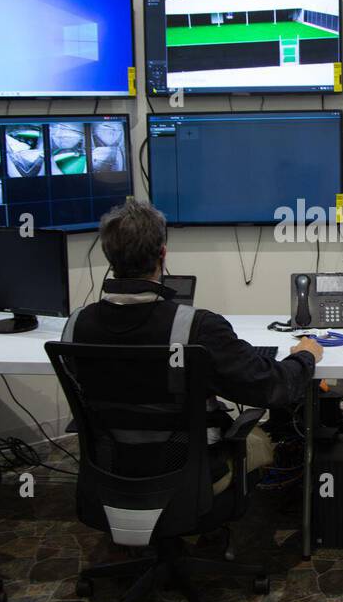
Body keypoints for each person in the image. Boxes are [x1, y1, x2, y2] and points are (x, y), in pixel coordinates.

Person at [63, 199, 324, 493]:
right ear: (162, 253)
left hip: (109, 464)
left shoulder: (76, 326)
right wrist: (304, 356)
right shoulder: (197, 328)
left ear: (108, 256)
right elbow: (270, 388)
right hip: (189, 469)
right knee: (261, 442)